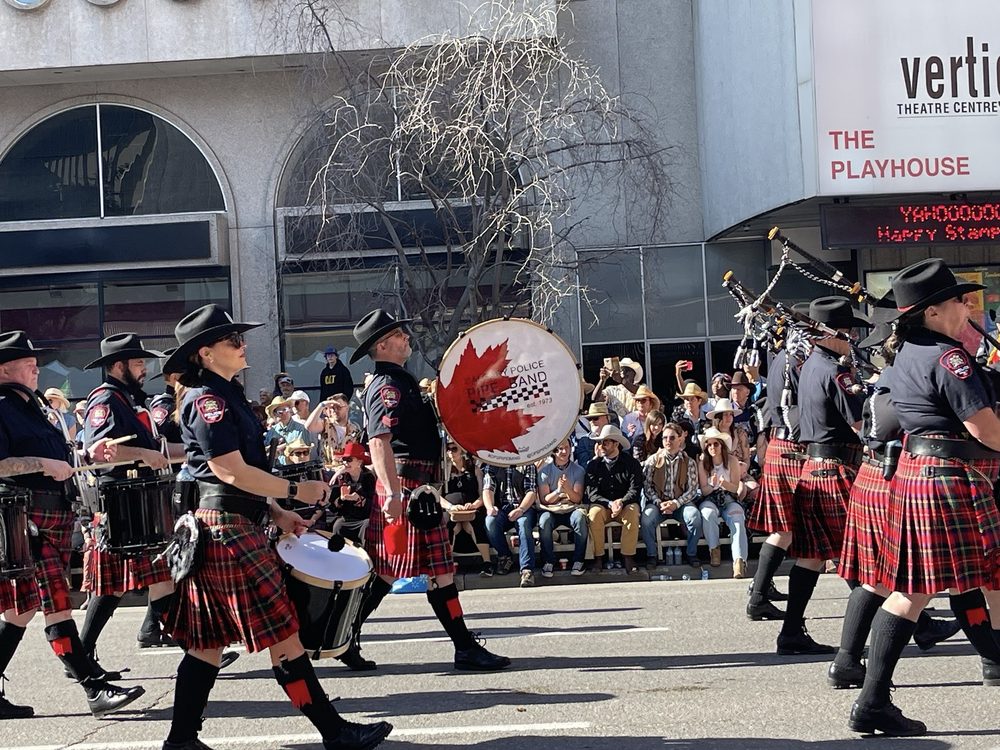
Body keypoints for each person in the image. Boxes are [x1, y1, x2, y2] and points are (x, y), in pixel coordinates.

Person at [159, 304, 392, 750]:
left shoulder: (225, 394)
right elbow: (228, 471)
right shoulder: (207, 400)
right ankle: (334, 733)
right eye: (232, 340)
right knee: (283, 632)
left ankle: (181, 740)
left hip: (231, 523)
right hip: (226, 528)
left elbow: (238, 473)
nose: (242, 344)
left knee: (208, 643)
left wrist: (276, 511)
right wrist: (294, 491)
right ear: (205, 352)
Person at [847, 259, 1000, 736]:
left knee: (915, 591)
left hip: (922, 474)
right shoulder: (948, 359)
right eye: (958, 299)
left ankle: (873, 700)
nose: (966, 306)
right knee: (931, 588)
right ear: (932, 311)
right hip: (950, 478)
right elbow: (986, 430)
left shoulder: (908, 354)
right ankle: (872, 702)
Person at [347, 308, 510, 672]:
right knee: (392, 571)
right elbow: (378, 440)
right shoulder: (387, 386)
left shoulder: (400, 380)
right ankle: (341, 636)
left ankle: (463, 647)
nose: (406, 337)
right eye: (398, 334)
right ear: (382, 345)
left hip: (417, 485)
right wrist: (392, 493)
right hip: (405, 484)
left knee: (432, 570)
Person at [0, 331, 143, 720]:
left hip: (53, 515)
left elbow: (59, 458)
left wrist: (86, 453)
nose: (36, 370)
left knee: (22, 612)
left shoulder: (31, 407)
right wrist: (41, 464)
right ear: (4, 370)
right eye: (28, 365)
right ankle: (94, 687)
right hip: (25, 518)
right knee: (56, 606)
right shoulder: (1, 407)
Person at [828, 313, 960, 692]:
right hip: (890, 477)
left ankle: (849, 660)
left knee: (881, 578)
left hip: (876, 474)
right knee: (886, 578)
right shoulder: (903, 379)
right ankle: (853, 665)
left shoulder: (887, 378)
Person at [80, 334, 185, 666]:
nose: (144, 369)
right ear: (117, 366)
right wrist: (142, 453)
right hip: (121, 501)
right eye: (138, 362)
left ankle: (188, 647)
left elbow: (159, 451)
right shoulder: (105, 400)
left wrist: (200, 452)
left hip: (142, 500)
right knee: (113, 586)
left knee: (162, 575)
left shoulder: (129, 400)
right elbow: (100, 452)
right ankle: (81, 655)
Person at [773, 297, 867, 656]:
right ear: (831, 333)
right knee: (860, 552)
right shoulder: (836, 372)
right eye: (847, 330)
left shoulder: (811, 365)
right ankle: (913, 623)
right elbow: (861, 427)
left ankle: (791, 632)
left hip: (814, 469)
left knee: (811, 556)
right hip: (837, 468)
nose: (852, 337)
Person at [746, 328, 811, 621]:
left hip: (781, 445)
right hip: (795, 447)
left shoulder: (780, 359)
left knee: (784, 531)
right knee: (828, 533)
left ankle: (759, 594)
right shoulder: (796, 360)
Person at [640, 422, 702, 569]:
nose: (668, 441)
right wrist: (658, 502)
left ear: (680, 439)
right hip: (658, 504)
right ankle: (652, 555)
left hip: (680, 504)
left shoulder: (689, 462)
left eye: (672, 437)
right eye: (665, 438)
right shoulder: (653, 460)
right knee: (646, 519)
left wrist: (676, 503)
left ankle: (691, 553)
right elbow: (647, 487)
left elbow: (692, 489)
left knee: (694, 517)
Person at [585, 424, 643, 573]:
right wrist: (610, 503)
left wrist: (622, 502)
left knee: (632, 512)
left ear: (616, 444)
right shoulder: (593, 465)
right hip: (604, 504)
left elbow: (635, 489)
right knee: (594, 514)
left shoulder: (631, 463)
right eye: (600, 442)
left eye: (605, 442)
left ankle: (628, 556)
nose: (601, 445)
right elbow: (592, 493)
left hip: (625, 504)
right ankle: (598, 557)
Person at [696, 428, 749, 577]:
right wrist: (712, 485)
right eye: (709, 444)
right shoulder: (703, 463)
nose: (712, 447)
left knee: (737, 519)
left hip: (728, 497)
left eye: (716, 444)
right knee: (707, 513)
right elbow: (704, 491)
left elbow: (735, 487)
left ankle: (739, 561)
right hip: (710, 498)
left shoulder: (732, 461)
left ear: (722, 445)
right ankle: (714, 550)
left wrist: (723, 483)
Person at [536, 439, 588, 577]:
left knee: (580, 518)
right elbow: (545, 499)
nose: (564, 451)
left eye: (567, 448)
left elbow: (577, 498)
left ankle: (579, 560)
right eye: (560, 448)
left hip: (571, 509)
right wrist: (558, 490)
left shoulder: (578, 470)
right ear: (554, 451)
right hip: (551, 510)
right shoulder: (544, 472)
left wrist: (567, 488)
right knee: (544, 521)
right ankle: (548, 561)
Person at [482, 462, 539, 586]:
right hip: (502, 508)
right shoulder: (492, 463)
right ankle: (504, 556)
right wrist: (490, 507)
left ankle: (527, 570)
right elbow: (488, 489)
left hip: (524, 507)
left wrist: (521, 509)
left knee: (524, 524)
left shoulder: (527, 463)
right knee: (490, 521)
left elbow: (531, 492)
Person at [441, 441, 491, 577]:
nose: (450, 452)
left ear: (461, 450)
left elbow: (483, 493)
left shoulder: (474, 469)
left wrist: (474, 505)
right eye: (448, 449)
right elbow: (438, 495)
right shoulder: (444, 471)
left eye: (454, 449)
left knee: (476, 522)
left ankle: (487, 563)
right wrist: (451, 507)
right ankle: (447, 564)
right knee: (449, 523)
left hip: (472, 509)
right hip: (451, 510)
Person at [325, 441, 375, 545]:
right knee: (338, 525)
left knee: (367, 526)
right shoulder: (341, 478)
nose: (345, 463)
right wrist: (341, 500)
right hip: (347, 518)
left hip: (364, 518)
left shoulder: (369, 477)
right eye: (344, 460)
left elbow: (373, 504)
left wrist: (358, 499)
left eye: (349, 460)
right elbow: (332, 506)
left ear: (359, 462)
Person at [264, 395, 315, 463]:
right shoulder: (272, 431)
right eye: (280, 411)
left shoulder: (301, 429)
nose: (284, 413)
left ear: (290, 411)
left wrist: (279, 448)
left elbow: (303, 451)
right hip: (274, 467)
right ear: (275, 414)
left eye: (285, 409)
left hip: (294, 467)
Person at [573, 401, 611, 467]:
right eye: (590, 419)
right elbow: (584, 466)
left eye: (595, 418)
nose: (592, 422)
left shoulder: (619, 437)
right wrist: (596, 458)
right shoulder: (584, 441)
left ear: (607, 418)